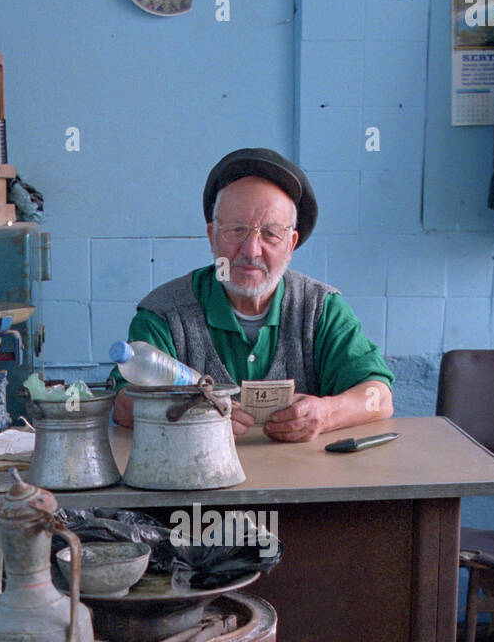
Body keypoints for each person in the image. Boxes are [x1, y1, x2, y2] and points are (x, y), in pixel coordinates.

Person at [111, 147, 394, 443]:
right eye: (235, 230)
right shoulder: (164, 314)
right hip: (193, 483)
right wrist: (195, 413)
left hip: (303, 482)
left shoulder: (321, 308)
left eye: (271, 233)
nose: (251, 251)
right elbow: (122, 404)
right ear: (212, 236)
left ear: (291, 243)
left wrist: (326, 413)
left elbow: (379, 397)